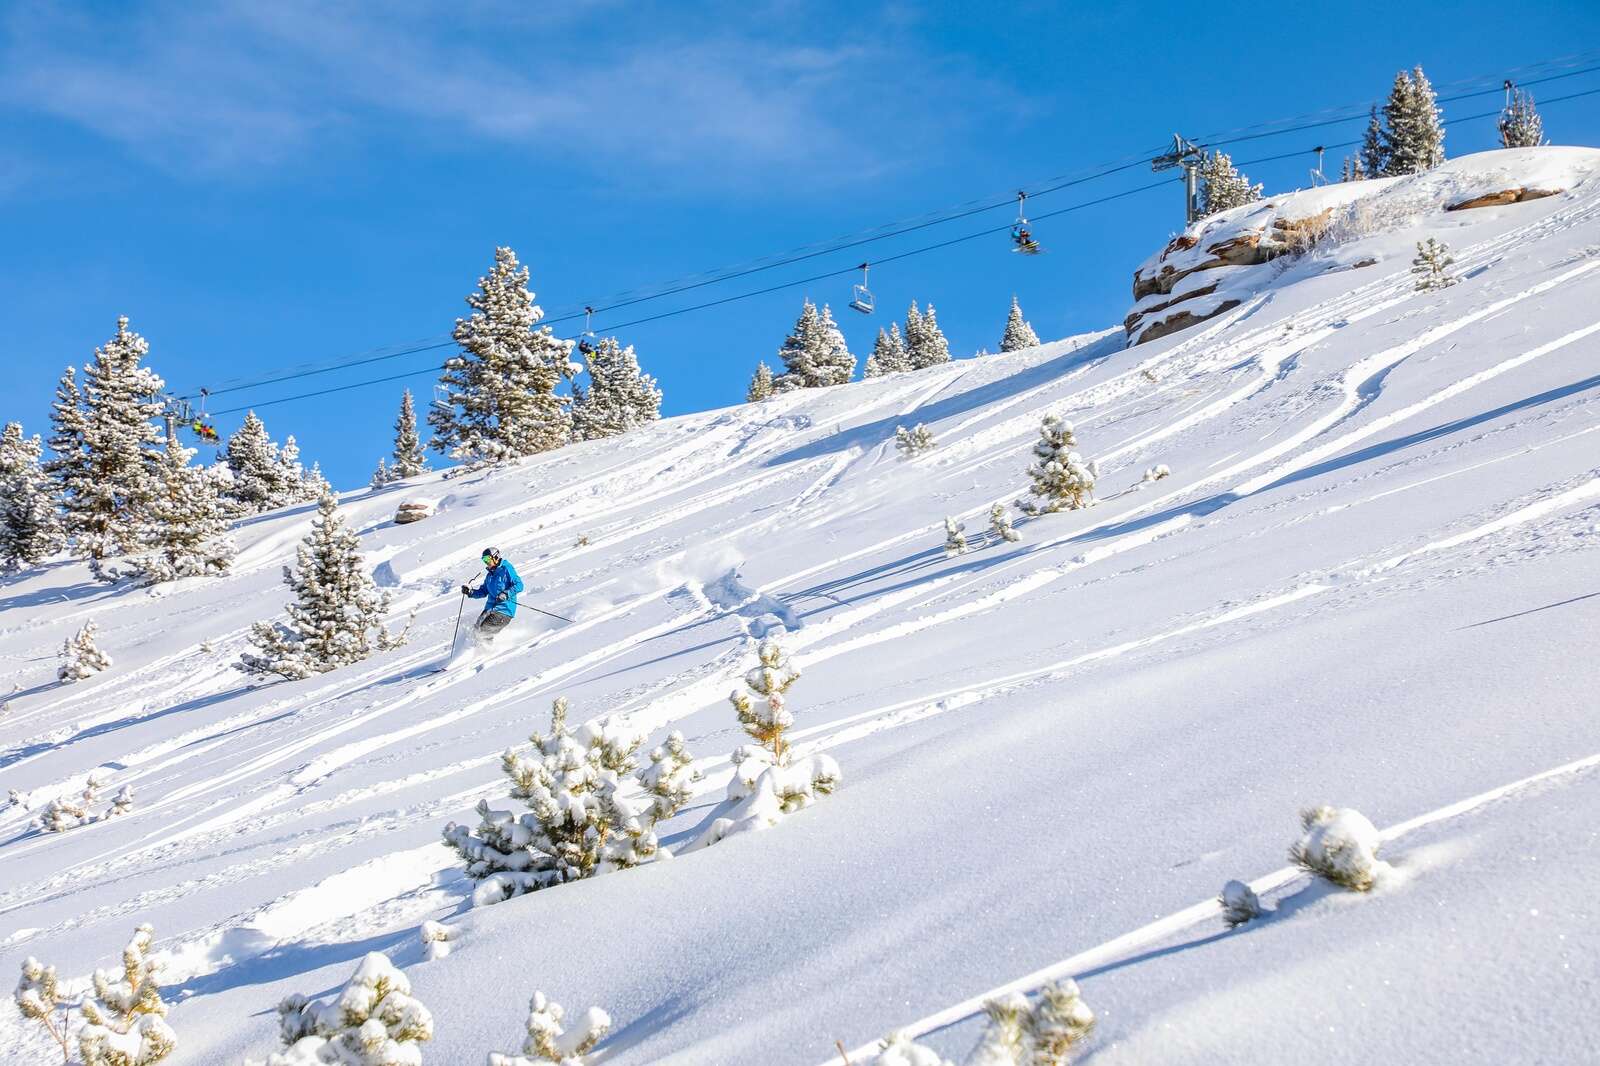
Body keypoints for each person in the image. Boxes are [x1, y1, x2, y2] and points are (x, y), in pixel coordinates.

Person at [462, 547, 523, 642]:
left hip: (504, 611)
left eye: (487, 559)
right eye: (484, 560)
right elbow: (483, 592)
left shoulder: (506, 569)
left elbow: (519, 585)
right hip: (489, 610)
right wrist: (470, 592)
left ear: (495, 557)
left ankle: (486, 652)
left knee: (483, 632)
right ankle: (478, 651)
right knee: (476, 630)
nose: (485, 562)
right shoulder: (490, 575)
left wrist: (506, 594)